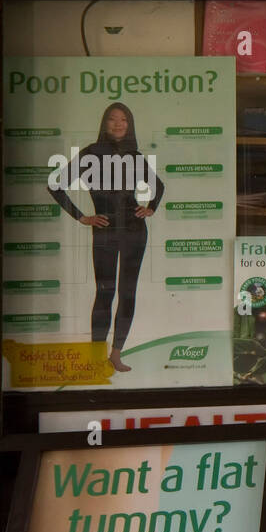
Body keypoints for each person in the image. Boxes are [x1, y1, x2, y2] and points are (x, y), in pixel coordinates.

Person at [49, 103, 164, 372]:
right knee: (105, 292)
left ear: (130, 124)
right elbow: (56, 185)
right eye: (112, 119)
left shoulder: (135, 155)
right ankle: (94, 356)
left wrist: (150, 207)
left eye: (124, 119)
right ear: (104, 123)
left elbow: (158, 185)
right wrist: (82, 217)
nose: (118, 123)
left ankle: (115, 354)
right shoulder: (91, 153)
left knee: (128, 293)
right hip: (105, 230)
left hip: (135, 231)